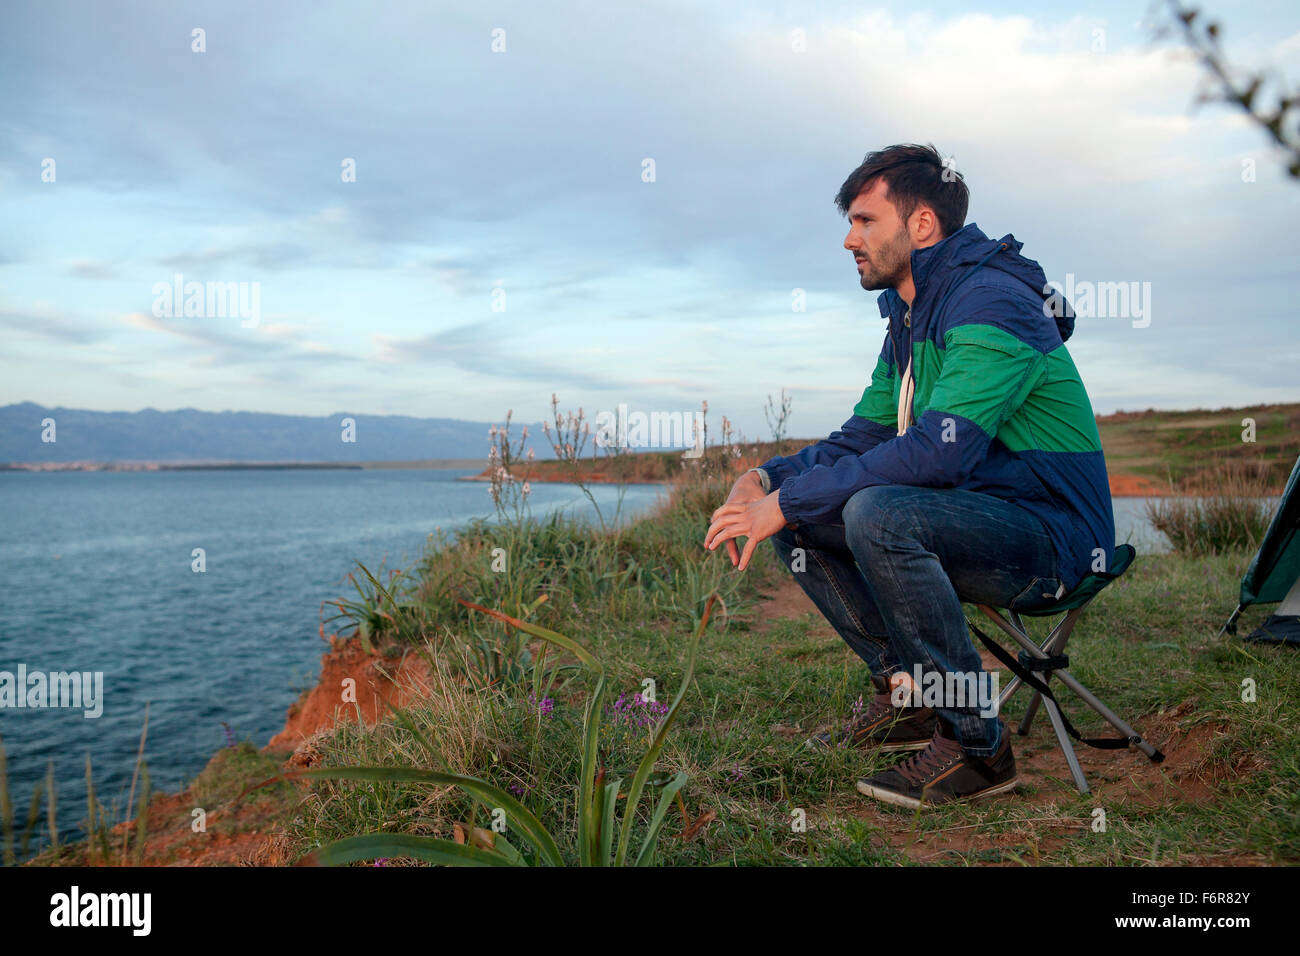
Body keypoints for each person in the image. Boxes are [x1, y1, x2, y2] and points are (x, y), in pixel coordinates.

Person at [703, 143, 1114, 808]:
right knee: (801, 510)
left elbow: (937, 452)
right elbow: (867, 432)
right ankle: (911, 698)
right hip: (981, 518)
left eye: (864, 221)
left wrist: (790, 497)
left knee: (878, 514)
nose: (848, 239)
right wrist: (766, 479)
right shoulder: (911, 313)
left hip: (1057, 538)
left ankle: (978, 750)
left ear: (920, 225)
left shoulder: (992, 302)